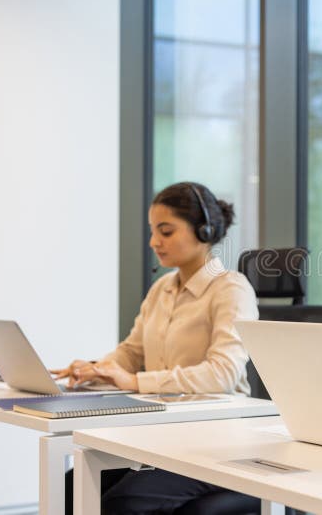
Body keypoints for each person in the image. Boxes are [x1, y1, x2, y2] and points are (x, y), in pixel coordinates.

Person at [55, 181, 260, 514]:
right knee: (73, 484)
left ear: (204, 231)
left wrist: (135, 382)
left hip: (217, 441)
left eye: (166, 231)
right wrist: (98, 369)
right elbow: (131, 353)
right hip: (163, 437)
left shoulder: (231, 290)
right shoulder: (162, 288)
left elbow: (223, 373)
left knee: (124, 503)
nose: (154, 242)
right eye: (153, 231)